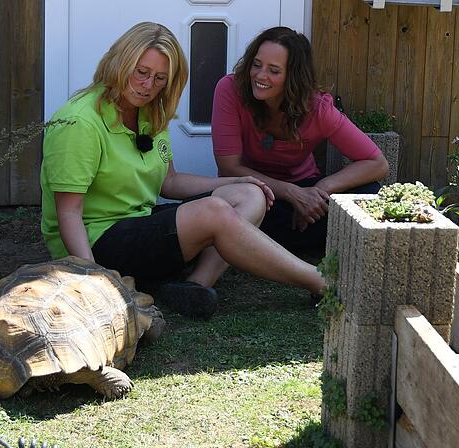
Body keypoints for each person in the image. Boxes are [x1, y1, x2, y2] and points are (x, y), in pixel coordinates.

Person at [40, 22, 326, 320]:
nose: (148, 86)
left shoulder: (148, 113)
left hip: (139, 226)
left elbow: (170, 181)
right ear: (119, 61)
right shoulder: (80, 121)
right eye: (141, 72)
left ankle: (192, 286)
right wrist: (94, 284)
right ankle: (320, 281)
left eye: (159, 78)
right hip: (96, 241)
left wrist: (238, 180)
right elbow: (69, 214)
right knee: (213, 211)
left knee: (249, 194)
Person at [212, 26, 389, 250]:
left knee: (370, 192)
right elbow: (229, 167)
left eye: (273, 70)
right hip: (252, 191)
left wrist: (319, 191)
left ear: (292, 77)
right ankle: (292, 241)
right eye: (257, 65)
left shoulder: (318, 109)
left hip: (305, 186)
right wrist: (290, 193)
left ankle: (276, 241)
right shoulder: (230, 89)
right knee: (228, 207)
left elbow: (377, 163)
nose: (260, 75)